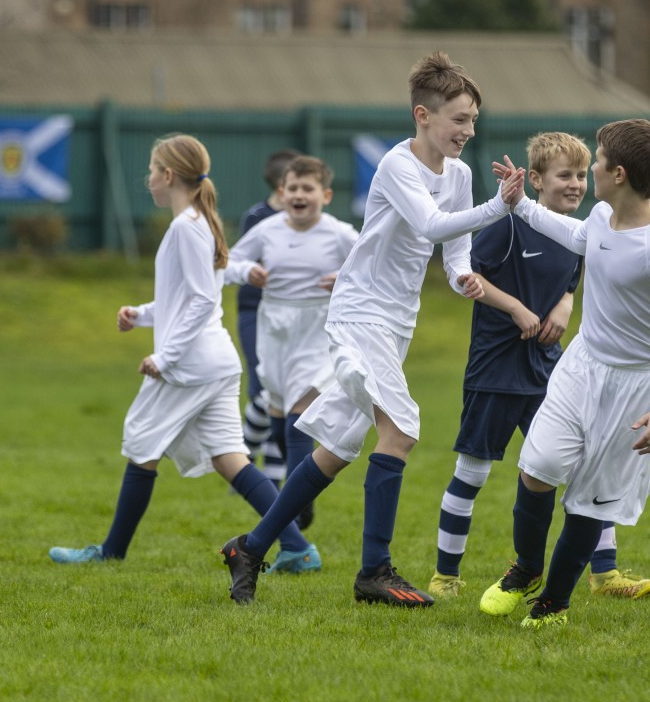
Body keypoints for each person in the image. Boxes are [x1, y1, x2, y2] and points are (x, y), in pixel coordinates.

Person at [219, 51, 525, 608]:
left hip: (396, 322)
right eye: (460, 119)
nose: (468, 131)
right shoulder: (397, 165)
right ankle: (374, 572)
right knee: (400, 430)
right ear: (423, 115)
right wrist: (499, 207)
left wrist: (463, 278)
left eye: (474, 120)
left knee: (337, 446)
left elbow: (453, 249)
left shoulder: (458, 174)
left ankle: (251, 547)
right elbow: (430, 224)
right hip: (360, 315)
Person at [476, 119, 650, 630]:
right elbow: (580, 237)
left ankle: (554, 603)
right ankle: (527, 568)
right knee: (538, 466)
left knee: (591, 501)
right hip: (583, 365)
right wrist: (520, 204)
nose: (592, 169)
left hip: (639, 386)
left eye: (598, 160)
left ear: (618, 174)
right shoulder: (604, 215)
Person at [48, 134, 314, 566]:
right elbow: (187, 298)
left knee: (142, 445)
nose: (148, 179)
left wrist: (165, 357)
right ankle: (299, 549)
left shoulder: (186, 227)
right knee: (230, 458)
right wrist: (141, 314)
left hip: (192, 365)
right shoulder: (198, 222)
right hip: (217, 361)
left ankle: (110, 553)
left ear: (168, 175)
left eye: (152, 171)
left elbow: (202, 301)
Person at [430, 132, 650, 601]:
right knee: (472, 472)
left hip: (550, 371)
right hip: (495, 370)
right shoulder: (508, 225)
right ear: (535, 180)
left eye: (580, 175)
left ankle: (605, 575)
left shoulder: (582, 232)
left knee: (585, 469)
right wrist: (515, 307)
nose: (575, 184)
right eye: (564, 176)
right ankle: (445, 576)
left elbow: (574, 280)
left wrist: (564, 303)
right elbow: (466, 273)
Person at [224, 155, 358, 565]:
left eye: (308, 189)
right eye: (293, 189)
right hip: (274, 328)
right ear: (281, 194)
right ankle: (300, 503)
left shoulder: (339, 233)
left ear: (325, 195)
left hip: (317, 327)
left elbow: (373, 264)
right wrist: (247, 271)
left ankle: (299, 503)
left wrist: (344, 277)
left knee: (300, 412)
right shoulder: (267, 230)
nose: (300, 195)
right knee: (280, 413)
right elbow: (226, 261)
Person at [235, 149, 300, 488]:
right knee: (264, 395)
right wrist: (252, 270)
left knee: (287, 398)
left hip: (296, 317)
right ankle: (243, 456)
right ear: (281, 185)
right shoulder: (258, 218)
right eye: (298, 184)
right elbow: (236, 260)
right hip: (256, 313)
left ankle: (272, 484)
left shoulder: (310, 221)